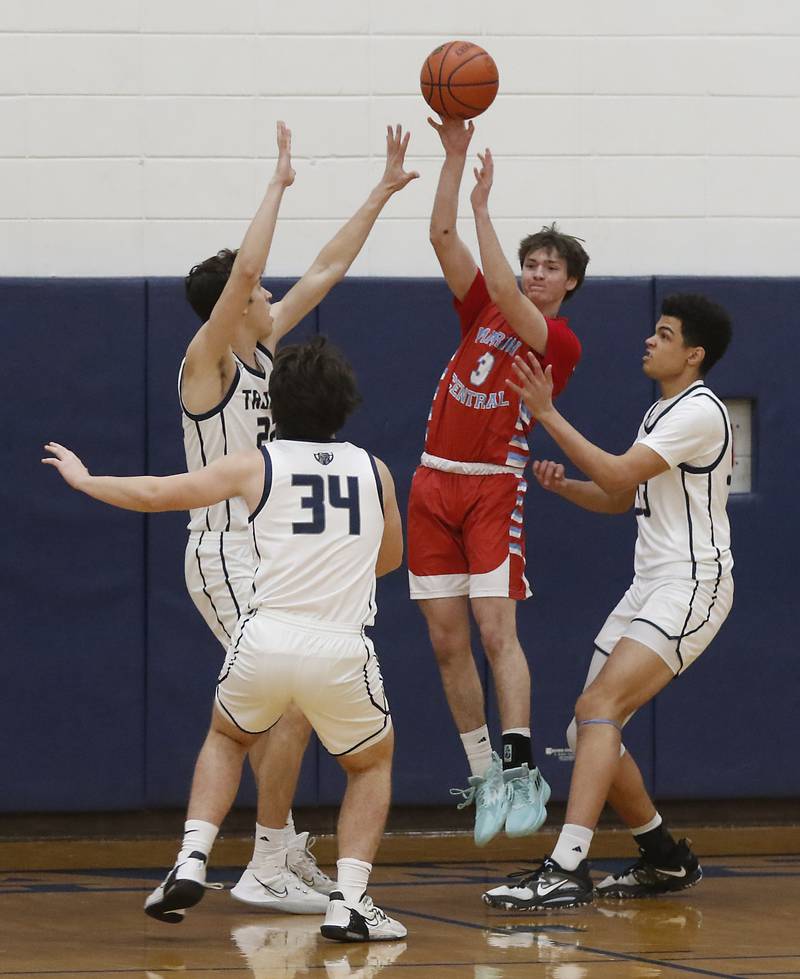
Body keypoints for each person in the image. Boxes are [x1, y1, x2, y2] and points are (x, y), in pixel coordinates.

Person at [43, 336, 407, 943]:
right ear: (345, 405)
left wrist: (85, 480)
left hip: (263, 637)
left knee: (227, 736)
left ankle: (192, 857)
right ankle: (348, 902)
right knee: (369, 765)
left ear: (276, 405)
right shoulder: (377, 472)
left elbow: (158, 493)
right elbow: (391, 559)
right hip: (340, 645)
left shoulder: (253, 464)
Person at [178, 121, 417, 912]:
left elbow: (328, 266)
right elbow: (251, 266)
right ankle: (269, 856)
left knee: (295, 698)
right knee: (283, 698)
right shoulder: (207, 360)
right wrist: (277, 184)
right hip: (223, 548)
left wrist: (380, 191)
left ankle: (271, 852)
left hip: (272, 548)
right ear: (232, 305)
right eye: (258, 292)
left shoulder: (265, 344)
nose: (272, 294)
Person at [483, 293, 733, 910]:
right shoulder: (661, 412)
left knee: (598, 705)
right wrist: (567, 486)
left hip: (691, 585)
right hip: (649, 585)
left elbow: (620, 476)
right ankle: (664, 857)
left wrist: (546, 413)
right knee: (587, 725)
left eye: (665, 334)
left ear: (693, 354)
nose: (651, 341)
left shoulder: (700, 411)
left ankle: (566, 865)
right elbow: (621, 498)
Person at [409, 117, 590, 846]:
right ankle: (484, 772)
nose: (536, 271)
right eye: (531, 261)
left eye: (549, 266)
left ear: (569, 283)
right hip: (432, 484)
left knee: (493, 630)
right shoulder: (480, 307)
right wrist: (453, 161)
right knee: (448, 642)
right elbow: (441, 238)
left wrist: (488, 209)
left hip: (491, 486)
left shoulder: (559, 338)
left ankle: (520, 766)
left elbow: (515, 304)